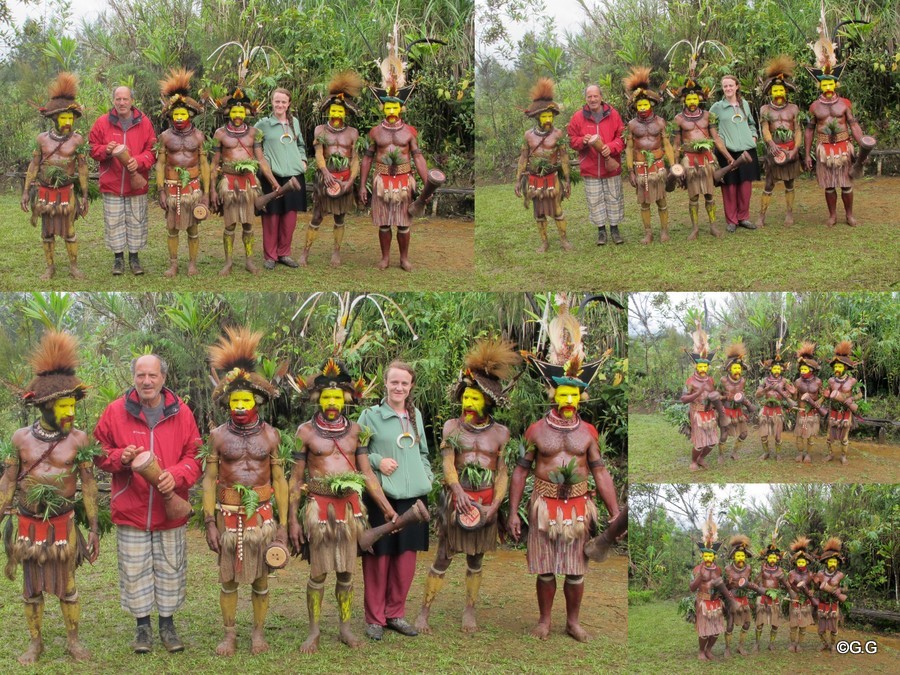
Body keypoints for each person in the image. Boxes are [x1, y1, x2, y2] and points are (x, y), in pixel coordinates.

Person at [509, 306, 620, 642]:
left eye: (574, 394)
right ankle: (544, 620)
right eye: (563, 394)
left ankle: (572, 621)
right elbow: (519, 471)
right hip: (543, 505)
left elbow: (600, 472)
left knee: (575, 569)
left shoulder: (588, 432)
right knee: (545, 568)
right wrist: (513, 512)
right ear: (553, 394)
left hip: (577, 507)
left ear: (581, 396)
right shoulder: (535, 431)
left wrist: (615, 512)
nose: (568, 399)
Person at [0, 331, 98, 665]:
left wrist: (95, 528)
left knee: (68, 586)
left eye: (73, 405)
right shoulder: (21, 439)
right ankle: (36, 643)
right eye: (64, 406)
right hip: (28, 525)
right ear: (45, 405)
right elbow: (8, 482)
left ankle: (73, 640)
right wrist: (1, 514)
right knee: (32, 590)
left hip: (63, 525)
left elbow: (88, 486)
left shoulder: (80, 439)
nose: (71, 412)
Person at [94, 354, 202, 654]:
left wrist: (176, 476)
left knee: (170, 566)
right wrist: (120, 458)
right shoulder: (116, 412)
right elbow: (97, 451)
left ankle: (167, 625)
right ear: (133, 377)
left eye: (152, 375)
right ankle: (142, 627)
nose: (146, 381)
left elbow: (196, 456)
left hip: (170, 507)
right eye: (141, 375)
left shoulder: (182, 413)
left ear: (163, 378)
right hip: (132, 508)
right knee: (134, 569)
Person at [288, 359, 397, 653]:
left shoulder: (357, 431)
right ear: (318, 399)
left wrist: (385, 507)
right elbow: (296, 478)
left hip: (350, 510)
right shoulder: (305, 432)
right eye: (327, 397)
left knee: (347, 572)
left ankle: (345, 628)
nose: (332, 402)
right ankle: (313, 631)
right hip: (319, 511)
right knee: (319, 573)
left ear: (346, 399)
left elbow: (367, 474)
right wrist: (292, 520)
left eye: (337, 397)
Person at [415, 338, 520, 634]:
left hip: (486, 500)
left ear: (487, 401)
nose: (467, 404)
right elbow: (448, 463)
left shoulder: (501, 433)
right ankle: (424, 611)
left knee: (476, 558)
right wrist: (458, 492)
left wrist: (494, 507)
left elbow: (502, 473)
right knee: (443, 556)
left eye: (474, 399)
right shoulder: (452, 427)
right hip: (457, 500)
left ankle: (469, 611)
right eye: (465, 398)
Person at [202, 328, 287, 656]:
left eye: (245, 400)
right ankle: (229, 633)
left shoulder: (271, 436)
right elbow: (209, 480)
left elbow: (280, 480)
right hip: (228, 517)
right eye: (234, 400)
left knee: (261, 579)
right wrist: (209, 522)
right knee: (229, 579)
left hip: (262, 516)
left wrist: (282, 524)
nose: (239, 406)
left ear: (257, 401)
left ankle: (258, 632)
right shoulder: (219, 437)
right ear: (227, 402)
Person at [357, 361, 433, 640]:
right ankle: (375, 618)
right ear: (385, 384)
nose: (399, 387)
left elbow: (424, 452)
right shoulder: (370, 416)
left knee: (405, 559)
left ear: (411, 386)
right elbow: (359, 453)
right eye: (394, 382)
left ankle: (395, 614)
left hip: (414, 498)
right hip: (382, 496)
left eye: (404, 383)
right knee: (380, 558)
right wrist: (378, 460)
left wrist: (427, 476)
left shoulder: (416, 416)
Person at [358, 39, 431, 272]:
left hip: (403, 181)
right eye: (387, 107)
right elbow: (368, 158)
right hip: (381, 182)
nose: (391, 111)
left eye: (395, 107)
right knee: (383, 223)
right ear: (383, 108)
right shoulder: (375, 132)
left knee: (403, 223)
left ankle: (404, 259)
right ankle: (385, 258)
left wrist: (427, 181)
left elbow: (417, 157)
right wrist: (362, 186)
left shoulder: (409, 132)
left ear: (401, 108)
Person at [804, 13, 875, 227]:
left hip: (844, 148)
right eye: (823, 84)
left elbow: (853, 124)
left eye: (830, 84)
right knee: (828, 186)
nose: (827, 88)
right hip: (824, 149)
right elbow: (809, 129)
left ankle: (849, 215)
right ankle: (832, 215)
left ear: (835, 85)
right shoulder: (814, 107)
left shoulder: (845, 103)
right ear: (820, 86)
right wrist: (806, 154)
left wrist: (862, 142)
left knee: (846, 184)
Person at [21, 72, 89, 280]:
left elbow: (83, 168)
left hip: (66, 191)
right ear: (55, 118)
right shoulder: (42, 139)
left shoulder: (77, 140)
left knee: (69, 231)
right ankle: (50, 267)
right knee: (47, 233)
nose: (68, 121)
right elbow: (33, 165)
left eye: (71, 118)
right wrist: (25, 191)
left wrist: (84, 195)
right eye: (64, 118)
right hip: (44, 191)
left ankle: (74, 266)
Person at [210, 87, 280, 276]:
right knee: (230, 225)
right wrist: (212, 190)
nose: (238, 114)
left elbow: (261, 160)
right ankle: (228, 262)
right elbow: (214, 162)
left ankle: (249, 261)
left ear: (247, 113)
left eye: (241, 111)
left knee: (248, 224)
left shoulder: (254, 133)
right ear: (228, 113)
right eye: (235, 111)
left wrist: (273, 182)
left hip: (249, 182)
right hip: (228, 182)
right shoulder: (220, 134)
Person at [88, 85, 157, 275]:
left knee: (137, 220)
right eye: (118, 99)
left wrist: (140, 161)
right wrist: (106, 150)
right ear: (113, 101)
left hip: (136, 182)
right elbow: (92, 148)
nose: (121, 103)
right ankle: (118, 259)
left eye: (125, 99)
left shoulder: (144, 122)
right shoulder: (102, 123)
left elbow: (153, 151)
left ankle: (134, 258)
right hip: (112, 182)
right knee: (114, 221)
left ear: (132, 101)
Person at [305, 72, 363, 267]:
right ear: (328, 111)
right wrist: (325, 172)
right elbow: (319, 153)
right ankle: (305, 252)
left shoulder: (353, 133)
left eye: (340, 112)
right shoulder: (320, 130)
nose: (337, 115)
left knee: (340, 216)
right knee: (317, 215)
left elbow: (355, 159)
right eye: (334, 111)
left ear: (345, 113)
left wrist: (350, 181)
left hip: (345, 177)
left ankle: (336, 253)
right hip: (326, 177)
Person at [155, 68, 209, 278]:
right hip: (172, 188)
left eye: (182, 113)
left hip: (193, 188)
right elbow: (160, 165)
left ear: (190, 114)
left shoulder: (199, 136)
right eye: (175, 114)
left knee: (193, 228)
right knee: (172, 229)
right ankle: (174, 264)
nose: (179, 117)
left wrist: (205, 192)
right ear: (170, 115)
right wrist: (160, 190)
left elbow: (204, 164)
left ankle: (193, 264)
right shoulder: (165, 137)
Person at [514, 78, 572, 252]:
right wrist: (518, 180)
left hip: (552, 177)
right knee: (538, 213)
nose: (548, 119)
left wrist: (567, 179)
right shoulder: (528, 136)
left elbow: (564, 158)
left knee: (557, 209)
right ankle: (544, 242)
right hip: (534, 179)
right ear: (537, 117)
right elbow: (523, 158)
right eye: (544, 116)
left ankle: (563, 240)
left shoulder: (558, 134)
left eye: (550, 116)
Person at [255, 88, 308, 270]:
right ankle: (270, 256)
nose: (280, 105)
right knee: (271, 216)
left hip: (294, 175)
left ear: (289, 104)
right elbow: (253, 144)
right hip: (273, 175)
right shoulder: (263, 125)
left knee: (289, 217)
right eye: (277, 101)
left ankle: (284, 253)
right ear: (272, 102)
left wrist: (303, 159)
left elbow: (301, 144)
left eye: (283, 102)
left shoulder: (294, 123)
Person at [566, 85, 625, 245]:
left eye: (595, 96)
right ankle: (601, 231)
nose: (592, 99)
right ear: (585, 98)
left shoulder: (613, 114)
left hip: (611, 166)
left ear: (601, 97)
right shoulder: (578, 117)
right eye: (589, 97)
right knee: (594, 199)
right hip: (590, 168)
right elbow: (571, 139)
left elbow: (622, 137)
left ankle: (614, 229)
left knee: (614, 197)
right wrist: (582, 141)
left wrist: (611, 147)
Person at [623, 67, 674, 244]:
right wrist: (630, 171)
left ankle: (665, 231)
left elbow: (667, 144)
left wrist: (673, 166)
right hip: (640, 167)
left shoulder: (660, 122)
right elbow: (629, 149)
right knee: (644, 203)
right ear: (636, 106)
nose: (643, 108)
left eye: (645, 105)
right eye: (640, 105)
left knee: (661, 200)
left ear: (651, 104)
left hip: (658, 166)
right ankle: (648, 232)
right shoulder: (631, 125)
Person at [671, 80, 723, 240]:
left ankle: (713, 226)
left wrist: (728, 157)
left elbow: (716, 138)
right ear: (684, 101)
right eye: (689, 99)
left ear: (700, 99)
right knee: (693, 196)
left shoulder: (708, 116)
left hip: (707, 159)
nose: (692, 102)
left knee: (709, 195)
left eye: (695, 99)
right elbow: (676, 144)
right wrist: (675, 165)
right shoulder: (678, 119)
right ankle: (695, 228)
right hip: (689, 160)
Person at [709, 75, 760, 232]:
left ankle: (743, 217)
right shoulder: (717, 107)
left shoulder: (744, 104)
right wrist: (718, 141)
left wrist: (753, 137)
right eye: (725, 86)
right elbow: (709, 126)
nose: (728, 89)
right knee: (729, 186)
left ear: (737, 86)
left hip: (746, 150)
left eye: (731, 85)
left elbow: (751, 123)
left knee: (745, 185)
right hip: (727, 151)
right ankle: (731, 220)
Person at [757, 56, 802, 227]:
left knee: (790, 182)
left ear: (786, 91)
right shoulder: (765, 109)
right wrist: (771, 144)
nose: (778, 93)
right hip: (774, 150)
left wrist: (796, 149)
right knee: (769, 183)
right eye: (775, 90)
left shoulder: (794, 108)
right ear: (770, 92)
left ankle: (789, 213)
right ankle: (762, 215)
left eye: (781, 90)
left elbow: (798, 129)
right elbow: (765, 128)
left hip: (791, 149)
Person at [689, 511, 733, 660]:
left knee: (716, 630)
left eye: (710, 555)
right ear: (702, 555)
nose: (708, 558)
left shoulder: (718, 569)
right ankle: (701, 651)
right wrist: (700, 577)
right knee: (704, 630)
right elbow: (692, 588)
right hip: (703, 602)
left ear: (714, 556)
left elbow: (721, 586)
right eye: (706, 555)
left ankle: (709, 650)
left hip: (715, 603)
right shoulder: (697, 569)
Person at [680, 321, 719, 471]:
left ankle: (702, 458)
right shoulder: (690, 381)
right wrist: (697, 392)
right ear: (696, 366)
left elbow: (714, 396)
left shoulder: (711, 380)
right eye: (700, 366)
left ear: (708, 366)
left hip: (710, 413)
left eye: (705, 366)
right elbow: (683, 399)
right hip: (697, 413)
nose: (703, 368)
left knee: (712, 442)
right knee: (700, 442)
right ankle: (694, 461)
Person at [722, 535, 760, 657]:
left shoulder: (748, 568)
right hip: (732, 599)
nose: (740, 558)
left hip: (744, 599)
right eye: (738, 555)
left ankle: (740, 646)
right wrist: (728, 585)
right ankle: (727, 648)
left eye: (742, 556)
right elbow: (723, 586)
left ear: (745, 557)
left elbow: (749, 582)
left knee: (747, 623)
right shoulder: (727, 569)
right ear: (733, 556)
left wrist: (756, 588)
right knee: (730, 625)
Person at [755, 349, 796, 461]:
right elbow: (757, 394)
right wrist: (766, 389)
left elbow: (792, 394)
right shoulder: (765, 380)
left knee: (778, 436)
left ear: (782, 369)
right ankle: (766, 453)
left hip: (777, 411)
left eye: (779, 368)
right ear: (771, 369)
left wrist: (788, 393)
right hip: (766, 410)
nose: (777, 370)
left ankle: (778, 454)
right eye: (775, 368)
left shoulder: (784, 381)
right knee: (763, 435)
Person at [717, 342, 752, 463]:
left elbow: (742, 393)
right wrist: (725, 398)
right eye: (735, 368)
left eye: (739, 368)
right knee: (724, 436)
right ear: (729, 369)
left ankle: (734, 452)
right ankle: (721, 454)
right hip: (726, 411)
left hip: (738, 412)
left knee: (744, 434)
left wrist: (746, 402)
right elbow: (717, 395)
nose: (737, 370)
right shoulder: (723, 380)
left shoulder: (742, 380)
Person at [824, 341, 859, 464]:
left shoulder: (852, 381)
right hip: (833, 411)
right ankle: (830, 454)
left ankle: (843, 456)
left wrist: (852, 399)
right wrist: (825, 395)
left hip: (846, 412)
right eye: (835, 367)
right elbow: (827, 394)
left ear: (845, 367)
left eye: (839, 366)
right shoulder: (831, 381)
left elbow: (859, 394)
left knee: (844, 437)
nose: (836, 369)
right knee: (829, 437)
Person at [755, 539, 791, 652]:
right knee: (760, 623)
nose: (772, 560)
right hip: (763, 598)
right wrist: (760, 588)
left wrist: (791, 589)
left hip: (774, 599)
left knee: (775, 624)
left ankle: (771, 643)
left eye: (774, 558)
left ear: (777, 559)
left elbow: (785, 584)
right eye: (770, 557)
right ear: (767, 558)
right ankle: (757, 643)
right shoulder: (762, 569)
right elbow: (757, 582)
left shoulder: (780, 571)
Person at [813, 537, 847, 652]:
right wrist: (816, 584)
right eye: (830, 561)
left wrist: (840, 590)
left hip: (834, 604)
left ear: (837, 563)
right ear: (826, 562)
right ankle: (824, 644)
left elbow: (846, 588)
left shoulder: (840, 575)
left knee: (833, 627)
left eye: (834, 562)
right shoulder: (820, 574)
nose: (832, 563)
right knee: (820, 629)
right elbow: (816, 588)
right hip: (822, 603)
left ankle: (833, 644)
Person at [793, 342, 823, 463]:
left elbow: (823, 395)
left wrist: (820, 401)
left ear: (811, 369)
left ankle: (808, 454)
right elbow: (795, 397)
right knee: (799, 436)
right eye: (801, 369)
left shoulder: (818, 382)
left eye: (805, 369)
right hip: (801, 412)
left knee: (810, 437)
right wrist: (793, 393)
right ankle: (800, 453)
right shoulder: (798, 382)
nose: (802, 371)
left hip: (813, 413)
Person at [786, 536, 816, 652]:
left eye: (803, 561)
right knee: (793, 625)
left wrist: (812, 590)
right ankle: (792, 643)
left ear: (807, 562)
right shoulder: (791, 573)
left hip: (805, 602)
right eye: (799, 561)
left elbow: (815, 586)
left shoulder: (810, 574)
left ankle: (799, 644)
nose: (801, 563)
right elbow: (788, 586)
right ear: (795, 562)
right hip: (795, 601)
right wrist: (792, 591)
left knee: (803, 626)